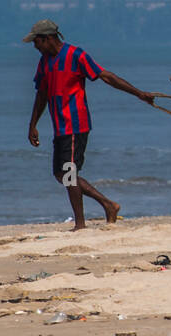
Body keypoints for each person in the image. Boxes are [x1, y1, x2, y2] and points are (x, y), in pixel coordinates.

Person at [24, 19, 155, 229]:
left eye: (37, 41)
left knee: (69, 174)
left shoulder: (76, 55)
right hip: (60, 126)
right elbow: (42, 95)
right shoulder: (45, 62)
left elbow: (106, 76)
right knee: (62, 175)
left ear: (48, 39)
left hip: (76, 124)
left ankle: (80, 224)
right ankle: (108, 204)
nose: (35, 46)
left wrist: (139, 93)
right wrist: (33, 125)